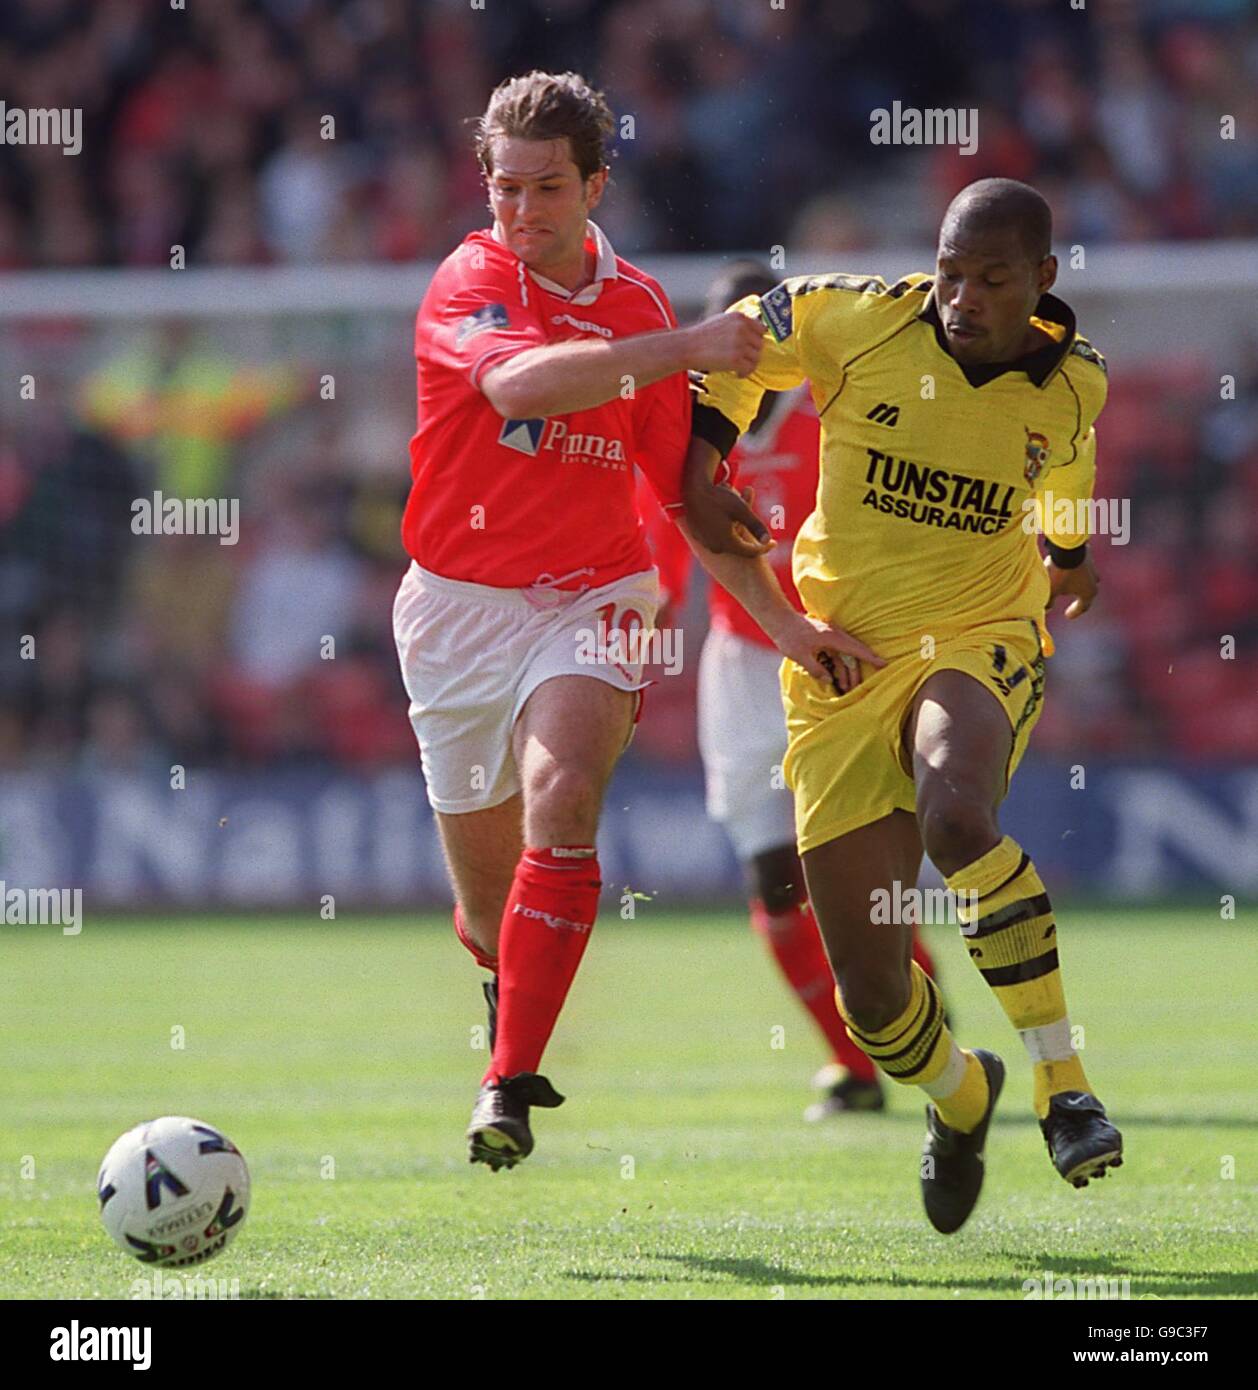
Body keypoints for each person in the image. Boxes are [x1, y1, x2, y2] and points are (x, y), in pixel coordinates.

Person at [393, 71, 852, 1171]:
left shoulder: (638, 305)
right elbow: (519, 392)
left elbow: (686, 498)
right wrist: (680, 352)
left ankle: (507, 1082)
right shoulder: (469, 280)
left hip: (599, 593)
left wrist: (786, 628)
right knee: (485, 908)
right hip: (456, 610)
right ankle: (508, 989)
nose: (520, 210)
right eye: (504, 187)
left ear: (597, 184)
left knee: (563, 794)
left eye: (547, 187)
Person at [680, 179, 1123, 1232]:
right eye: (951, 270)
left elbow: (1066, 469)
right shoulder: (857, 319)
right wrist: (704, 458)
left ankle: (1066, 1085)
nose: (962, 297)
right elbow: (734, 338)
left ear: (1043, 280)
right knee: (874, 1003)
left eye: (992, 278)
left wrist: (1066, 551)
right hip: (837, 665)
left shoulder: (1076, 381)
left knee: (957, 814)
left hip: (978, 637)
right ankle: (963, 1097)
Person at [643, 260, 943, 1121]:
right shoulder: (688, 425)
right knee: (775, 884)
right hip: (742, 668)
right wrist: (654, 606)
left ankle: (924, 1026)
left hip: (848, 662)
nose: (735, 364)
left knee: (859, 871)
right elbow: (664, 517)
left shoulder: (840, 412)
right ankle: (853, 1068)